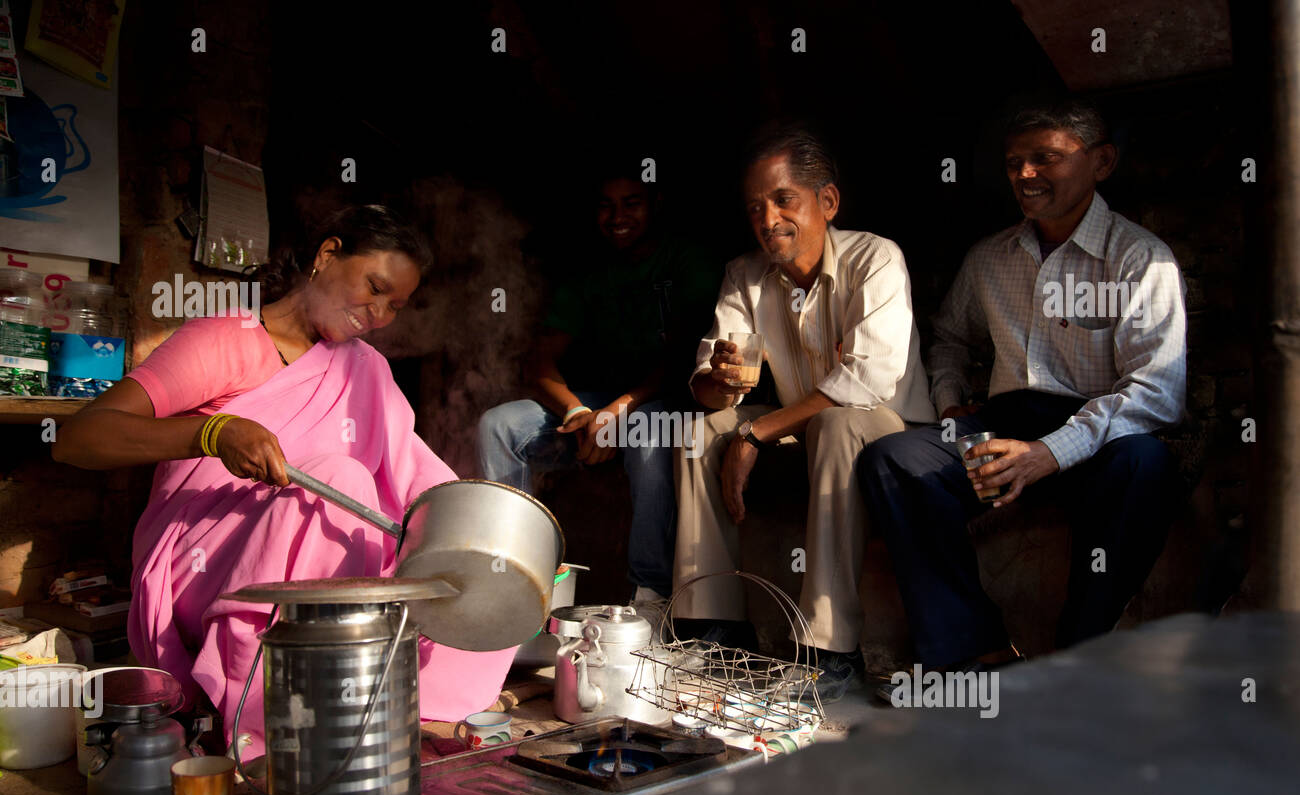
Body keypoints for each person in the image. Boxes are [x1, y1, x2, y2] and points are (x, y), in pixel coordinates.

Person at [54, 205, 518, 756]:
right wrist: (211, 435)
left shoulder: (364, 368)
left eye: (393, 305)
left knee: (475, 556)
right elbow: (79, 439)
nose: (377, 313)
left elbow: (419, 476)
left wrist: (495, 539)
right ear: (326, 256)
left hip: (321, 569)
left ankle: (396, 701)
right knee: (339, 479)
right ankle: (265, 712)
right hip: (204, 562)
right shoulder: (226, 339)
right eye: (373, 287)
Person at [859, 102, 1187, 681]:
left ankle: (1075, 657)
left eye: (1048, 159)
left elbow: (1155, 393)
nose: (1027, 175)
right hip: (1005, 423)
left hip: (1096, 440)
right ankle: (973, 649)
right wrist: (952, 405)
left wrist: (1047, 455)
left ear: (1102, 162)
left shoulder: (1139, 259)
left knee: (1147, 462)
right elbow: (949, 340)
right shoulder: (990, 257)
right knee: (895, 459)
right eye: (1016, 163)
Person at [673, 125, 936, 701]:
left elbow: (868, 380)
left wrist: (756, 434)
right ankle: (713, 629)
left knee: (836, 421)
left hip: (889, 432)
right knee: (698, 433)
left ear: (828, 202)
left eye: (784, 199)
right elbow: (717, 387)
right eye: (755, 207)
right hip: (800, 425)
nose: (768, 219)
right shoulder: (745, 273)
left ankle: (829, 649)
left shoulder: (876, 258)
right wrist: (719, 387)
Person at [477, 165, 720, 624]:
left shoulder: (687, 260)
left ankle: (652, 594)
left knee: (649, 434)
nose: (617, 216)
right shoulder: (589, 271)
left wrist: (618, 412)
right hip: (597, 406)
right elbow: (540, 362)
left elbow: (686, 361)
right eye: (606, 206)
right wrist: (579, 410)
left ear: (657, 205)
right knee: (498, 425)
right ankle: (515, 574)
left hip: (665, 400)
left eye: (632, 202)